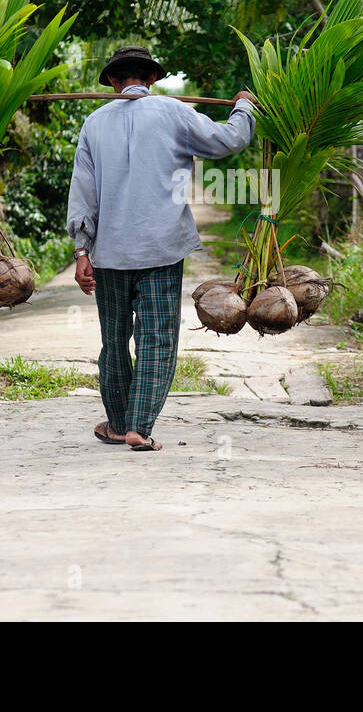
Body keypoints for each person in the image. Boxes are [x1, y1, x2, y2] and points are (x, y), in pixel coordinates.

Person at [67, 46, 256, 451]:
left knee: (114, 339)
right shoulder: (175, 112)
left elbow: (83, 192)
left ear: (115, 83)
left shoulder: (94, 123)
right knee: (157, 337)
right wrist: (243, 108)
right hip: (161, 249)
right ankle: (138, 426)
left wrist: (82, 252)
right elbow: (228, 140)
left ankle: (117, 424)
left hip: (110, 254)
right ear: (151, 79)